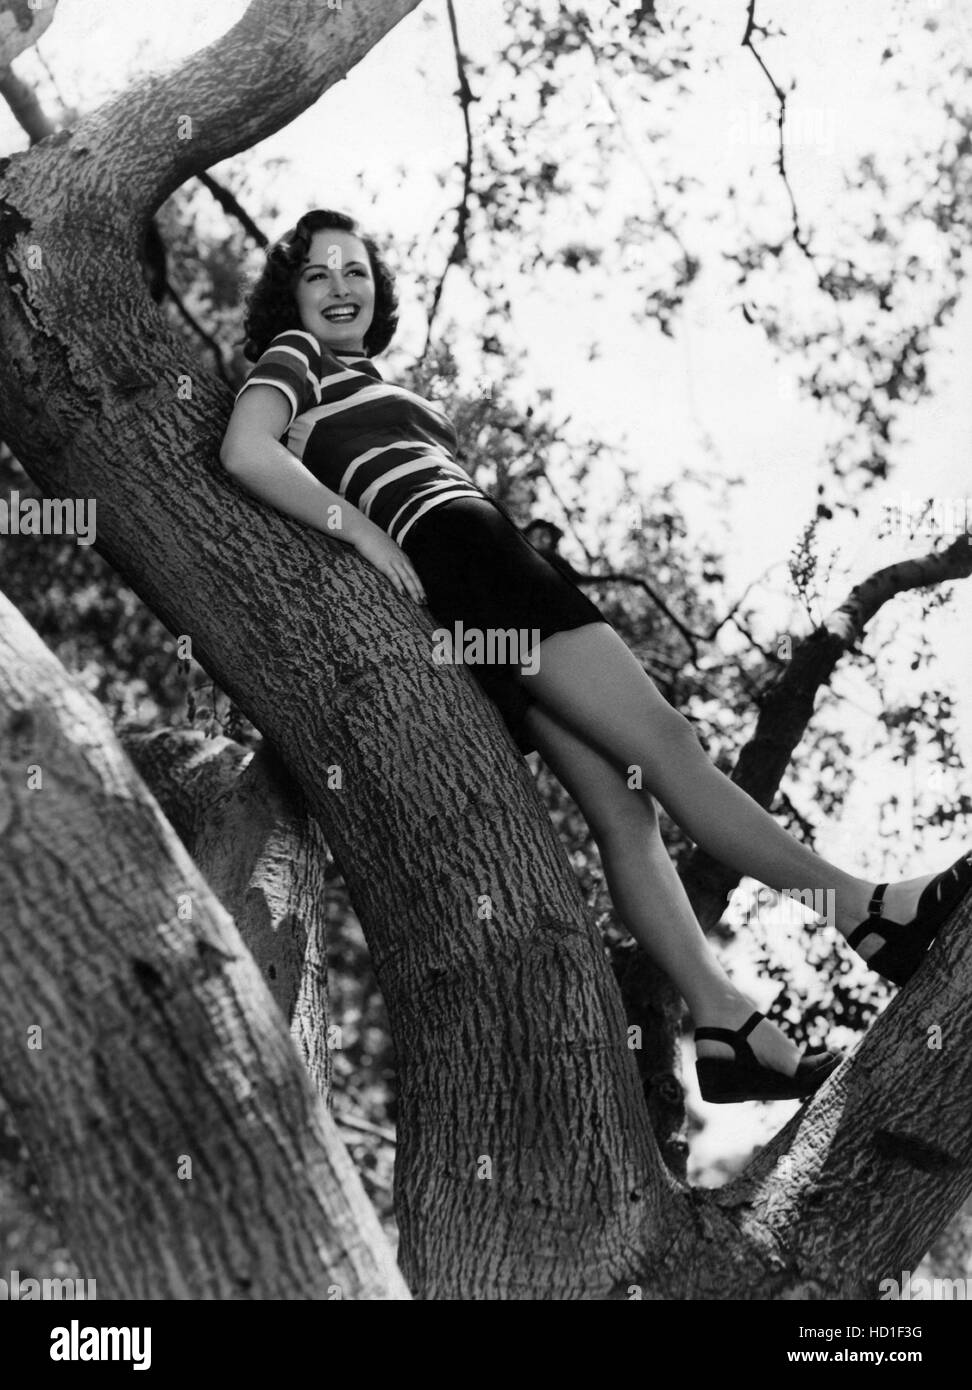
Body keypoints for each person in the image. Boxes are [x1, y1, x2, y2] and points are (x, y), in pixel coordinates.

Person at [220, 208, 972, 1105]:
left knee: (627, 809)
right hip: (466, 556)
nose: (342, 286)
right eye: (319, 273)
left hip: (471, 574)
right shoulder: (294, 359)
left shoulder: (368, 383)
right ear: (290, 294)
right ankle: (865, 910)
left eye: (358, 270)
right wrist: (362, 535)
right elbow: (244, 449)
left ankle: (723, 1020)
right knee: (671, 746)